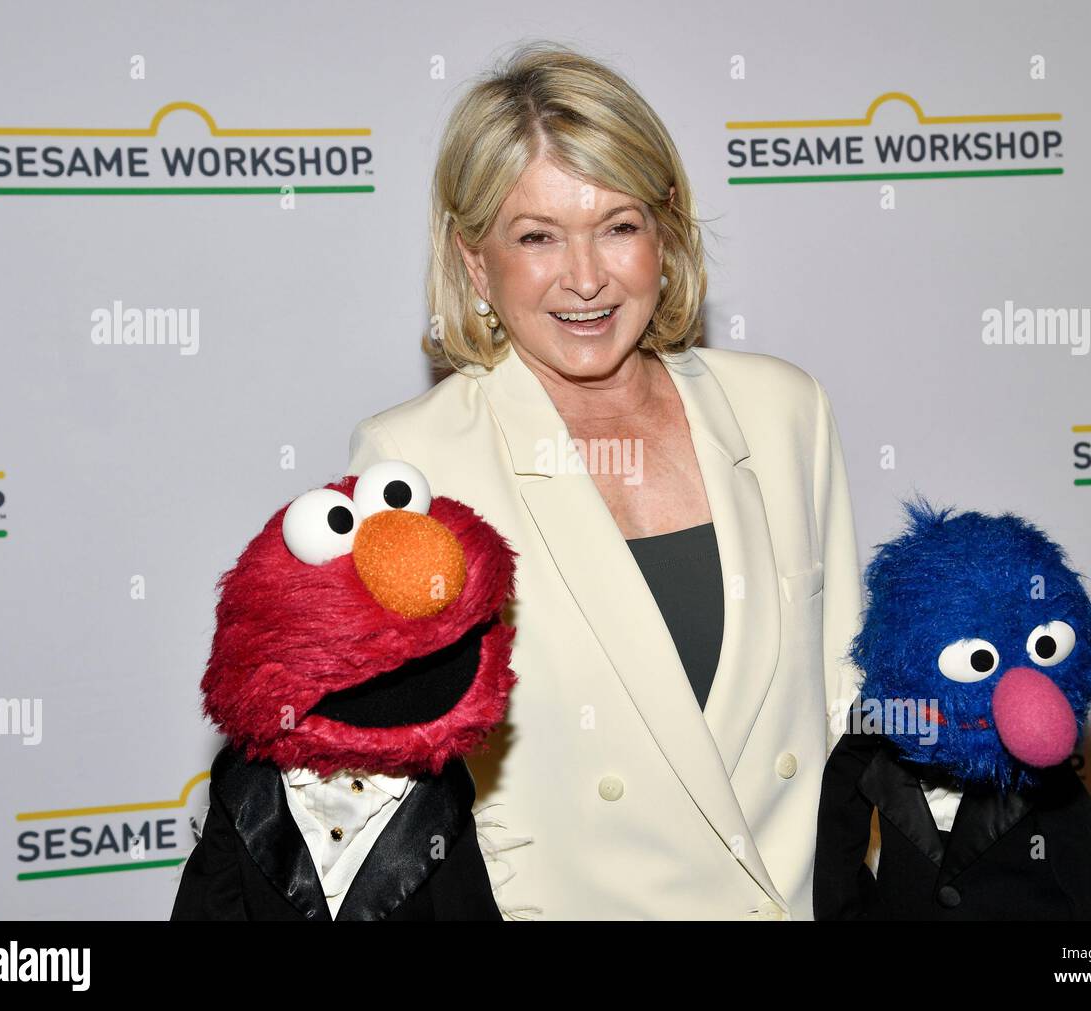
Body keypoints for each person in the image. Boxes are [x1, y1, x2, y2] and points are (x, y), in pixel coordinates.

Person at [346, 41, 864, 919]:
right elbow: (388, 792)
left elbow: (847, 709)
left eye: (618, 226)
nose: (585, 279)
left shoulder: (784, 411)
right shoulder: (414, 466)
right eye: (537, 237)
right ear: (476, 261)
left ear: (666, 229)